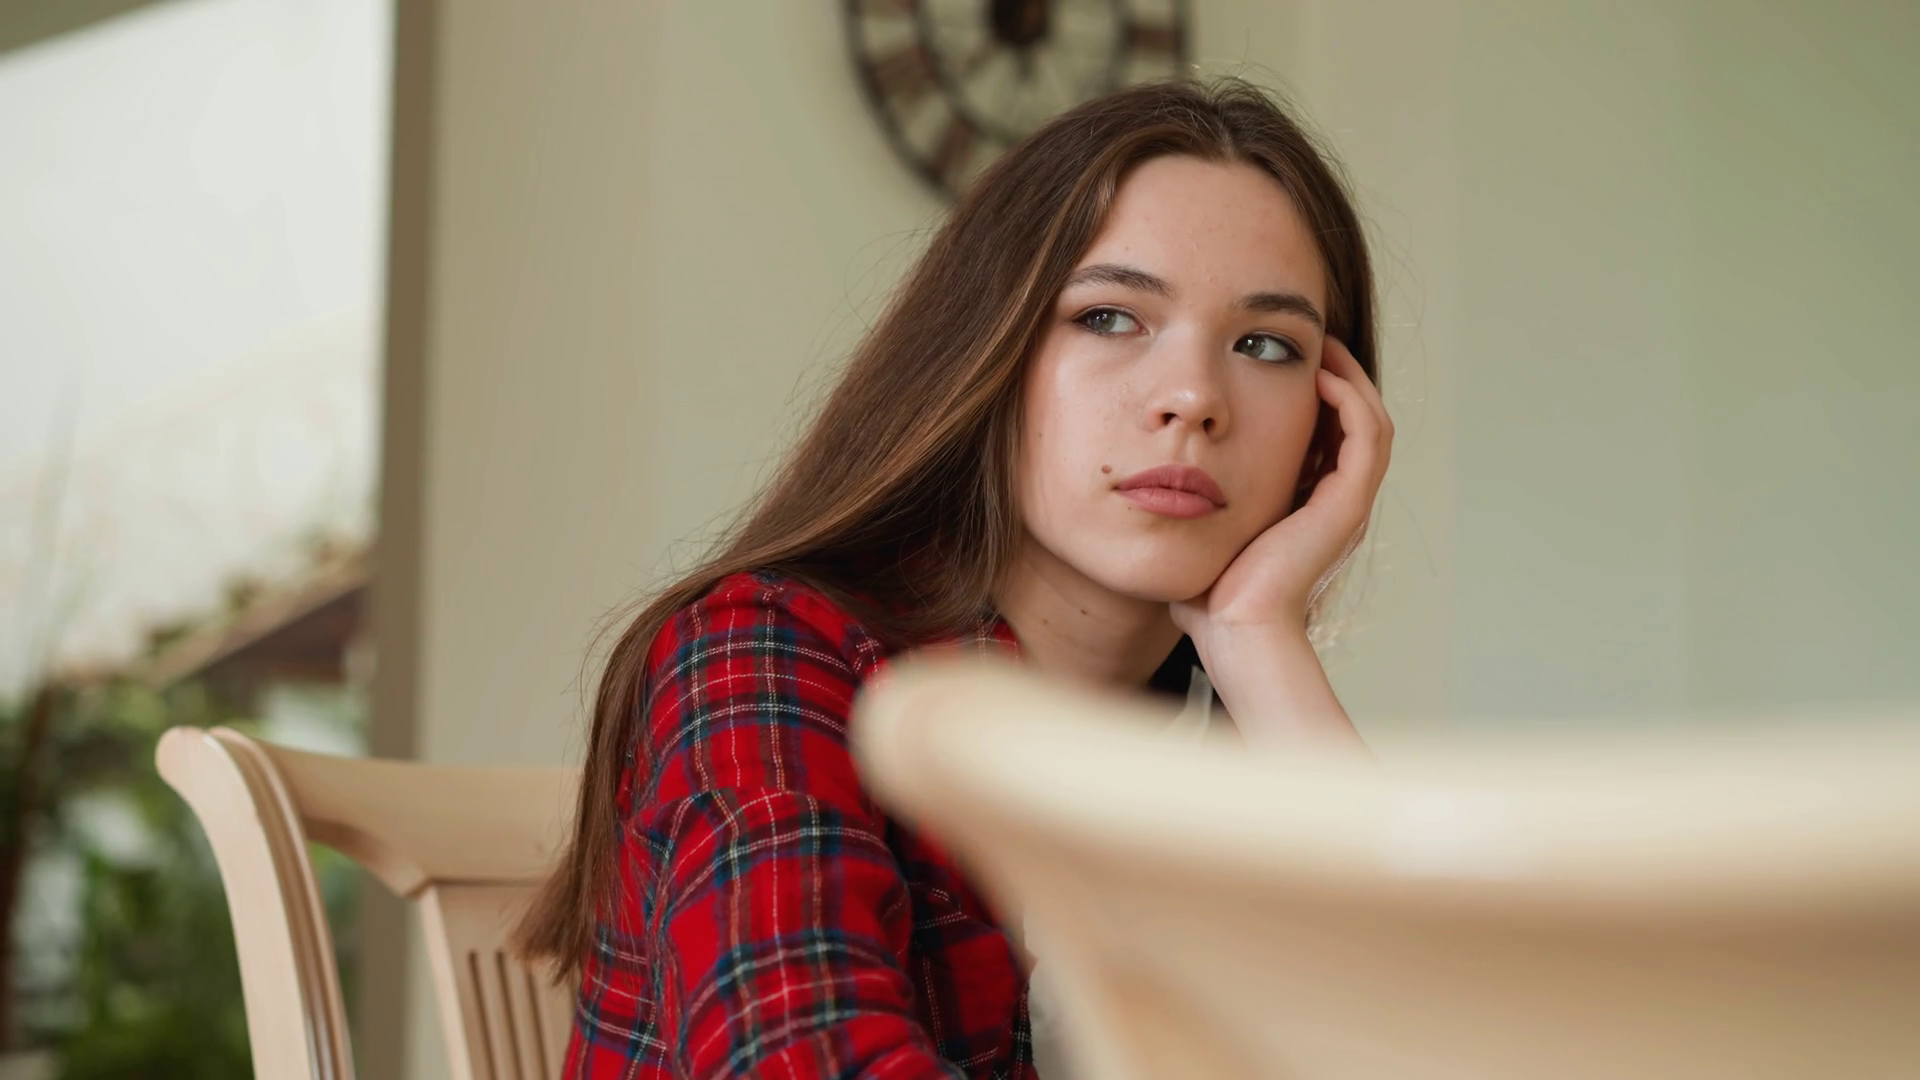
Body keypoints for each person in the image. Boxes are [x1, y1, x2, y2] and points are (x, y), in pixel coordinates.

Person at [517, 77, 1392, 1079]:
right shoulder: (765, 655)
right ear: (992, 348)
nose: (1194, 397)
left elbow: (1455, 1045)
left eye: (1266, 345)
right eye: (1110, 318)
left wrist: (1258, 640)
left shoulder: (1239, 737)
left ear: (1328, 427)